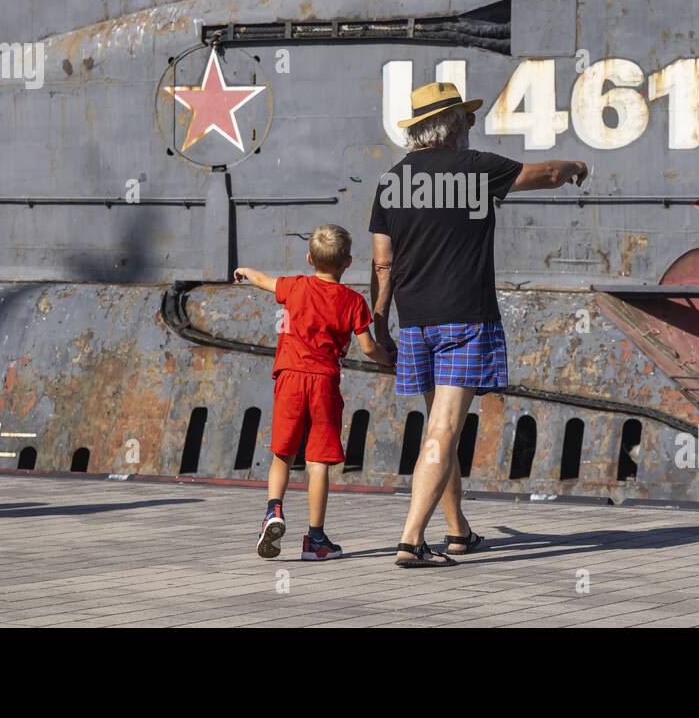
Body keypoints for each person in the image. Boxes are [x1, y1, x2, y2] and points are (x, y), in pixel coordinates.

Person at [369, 81, 588, 568]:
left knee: (436, 431)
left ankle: (458, 532)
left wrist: (379, 326)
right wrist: (576, 166)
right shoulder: (476, 169)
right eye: (467, 120)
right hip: (464, 319)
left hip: (417, 323)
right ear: (452, 126)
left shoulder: (391, 181)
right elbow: (548, 173)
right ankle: (410, 541)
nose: (472, 126)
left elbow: (382, 264)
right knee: (445, 430)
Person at [234, 224, 394, 560]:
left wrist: (246, 271)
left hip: (290, 377)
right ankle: (316, 540)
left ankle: (273, 511)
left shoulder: (295, 287)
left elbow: (265, 281)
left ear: (309, 258)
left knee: (282, 451)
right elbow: (367, 348)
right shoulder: (353, 301)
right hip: (323, 382)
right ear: (348, 262)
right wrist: (389, 361)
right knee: (317, 459)